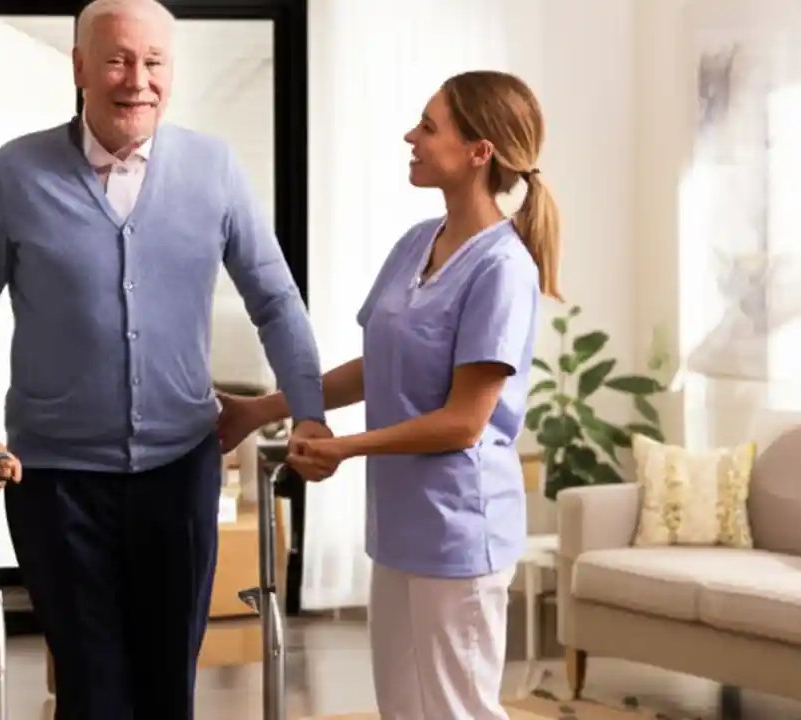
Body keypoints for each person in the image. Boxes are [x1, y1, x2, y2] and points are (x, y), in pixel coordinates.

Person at [0, 0, 329, 717]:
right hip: (55, 482)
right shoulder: (18, 172)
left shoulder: (213, 167)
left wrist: (311, 414)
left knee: (168, 688)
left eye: (153, 62)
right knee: (93, 690)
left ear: (171, 71)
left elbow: (276, 302)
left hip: (180, 473)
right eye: (115, 59)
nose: (135, 80)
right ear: (79, 67)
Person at [218, 69, 559, 719]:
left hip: (461, 531)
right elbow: (380, 365)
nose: (412, 136)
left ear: (479, 152)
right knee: (402, 708)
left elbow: (464, 422)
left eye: (429, 127)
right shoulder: (416, 245)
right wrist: (266, 408)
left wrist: (346, 447)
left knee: (459, 710)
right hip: (400, 524)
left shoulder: (502, 268)